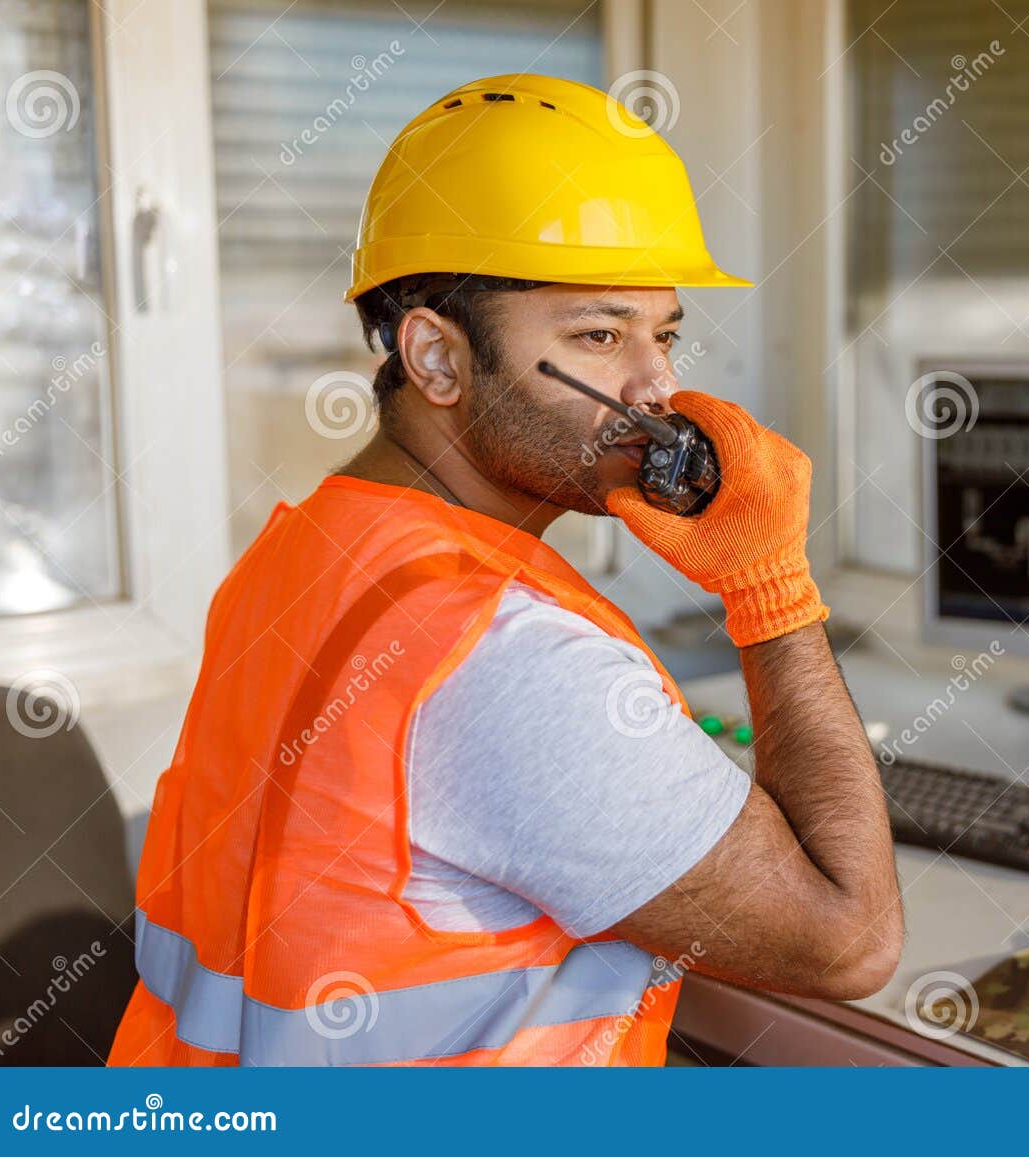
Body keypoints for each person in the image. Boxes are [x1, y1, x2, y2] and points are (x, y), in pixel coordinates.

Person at [108, 74, 901, 1067]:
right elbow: (850, 935)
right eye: (597, 335)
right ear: (437, 359)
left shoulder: (305, 548)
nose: (659, 387)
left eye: (664, 334)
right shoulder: (503, 649)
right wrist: (772, 585)